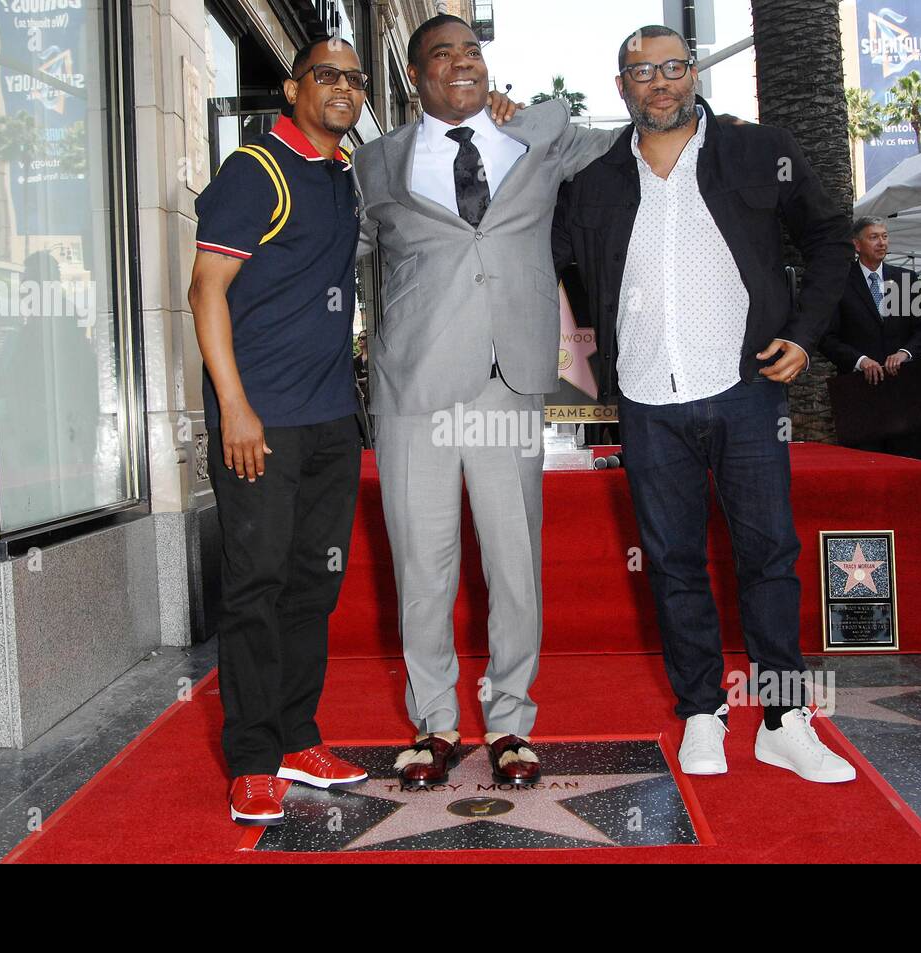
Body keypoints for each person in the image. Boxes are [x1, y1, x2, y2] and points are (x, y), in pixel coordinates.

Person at [552, 25, 857, 783]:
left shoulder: (760, 152)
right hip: (649, 400)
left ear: (693, 73)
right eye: (641, 71)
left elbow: (830, 238)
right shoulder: (592, 183)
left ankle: (785, 719)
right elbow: (540, 268)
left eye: (673, 67)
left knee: (770, 555)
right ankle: (701, 713)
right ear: (621, 86)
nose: (660, 82)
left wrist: (803, 332)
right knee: (673, 562)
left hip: (748, 389)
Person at [353, 14, 618, 787]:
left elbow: (634, 144)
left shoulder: (539, 136)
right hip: (414, 386)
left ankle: (510, 720)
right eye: (444, 54)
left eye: (474, 52)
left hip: (508, 379)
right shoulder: (375, 162)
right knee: (422, 563)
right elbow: (340, 255)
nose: (463, 64)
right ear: (415, 77)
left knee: (513, 561)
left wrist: (695, 112)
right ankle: (433, 721)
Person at [189, 37, 376, 827]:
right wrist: (234, 405)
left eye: (354, 79)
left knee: (313, 586)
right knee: (256, 589)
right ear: (294, 87)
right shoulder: (253, 170)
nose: (342, 88)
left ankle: (300, 736)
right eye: (326, 75)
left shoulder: (341, 176)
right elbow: (205, 292)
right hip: (260, 425)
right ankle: (253, 758)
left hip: (331, 419)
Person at [819, 216, 921, 457]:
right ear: (857, 245)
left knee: (906, 461)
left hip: (902, 394)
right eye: (874, 237)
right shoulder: (840, 281)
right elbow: (826, 338)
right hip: (860, 395)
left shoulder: (903, 280)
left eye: (884, 236)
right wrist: (860, 361)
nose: (881, 242)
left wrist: (905, 353)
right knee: (866, 463)